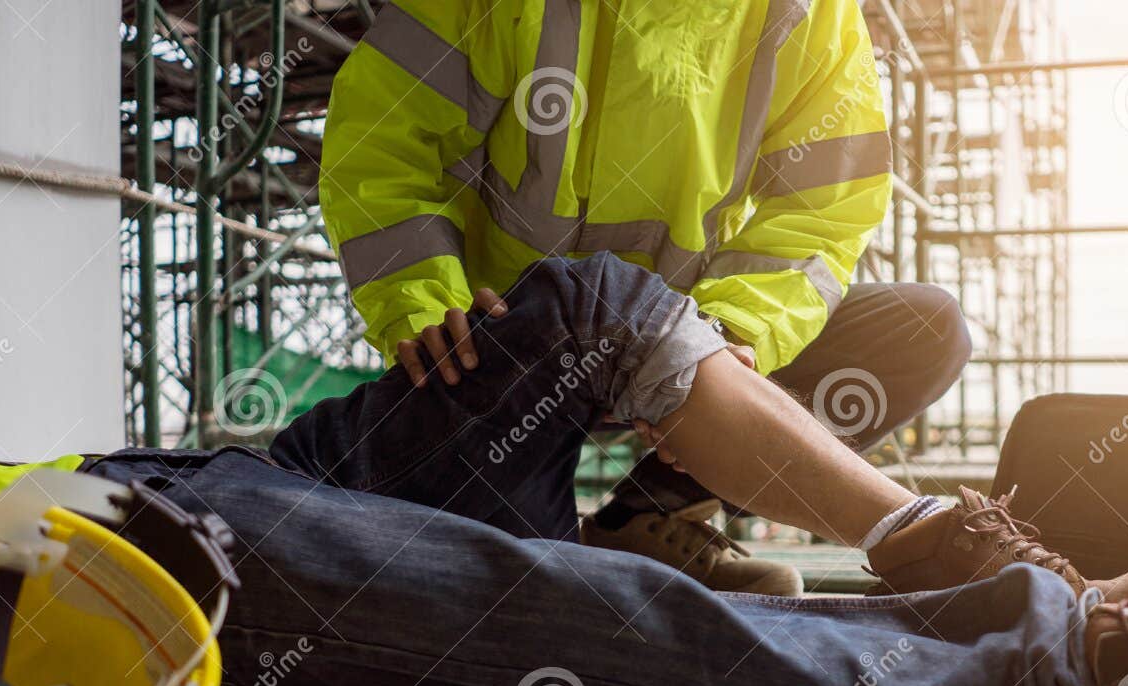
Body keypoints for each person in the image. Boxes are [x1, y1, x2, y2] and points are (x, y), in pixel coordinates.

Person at [0, 255, 1128, 686]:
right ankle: (1072, 662)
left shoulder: (802, 32)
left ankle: (912, 538)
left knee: (596, 307)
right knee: (266, 559)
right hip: (125, 533)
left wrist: (712, 348)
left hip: (639, 393)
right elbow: (382, 150)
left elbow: (815, 238)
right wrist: (419, 287)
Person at [319, 0, 972, 596]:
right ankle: (552, 531)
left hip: (683, 354)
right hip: (505, 347)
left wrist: (735, 333)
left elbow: (820, 212)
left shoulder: (807, 12)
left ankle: (653, 516)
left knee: (922, 328)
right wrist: (423, 303)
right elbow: (384, 143)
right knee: (529, 596)